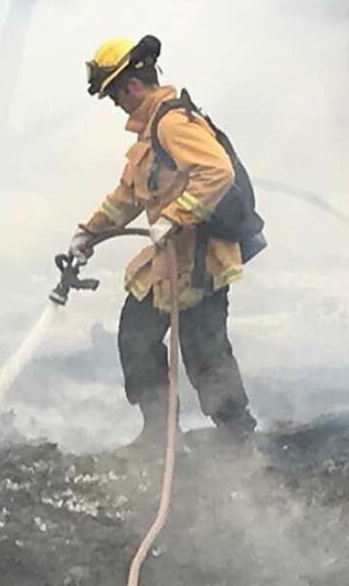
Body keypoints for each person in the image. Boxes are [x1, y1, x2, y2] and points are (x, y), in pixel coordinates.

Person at [68, 34, 258, 453]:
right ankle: (160, 432)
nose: (115, 104)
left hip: (200, 260)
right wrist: (89, 233)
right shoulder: (150, 134)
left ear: (131, 87)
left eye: (114, 95)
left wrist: (175, 216)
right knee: (135, 337)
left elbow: (217, 172)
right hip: (170, 262)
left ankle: (237, 438)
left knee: (204, 350)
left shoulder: (173, 124)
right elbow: (128, 196)